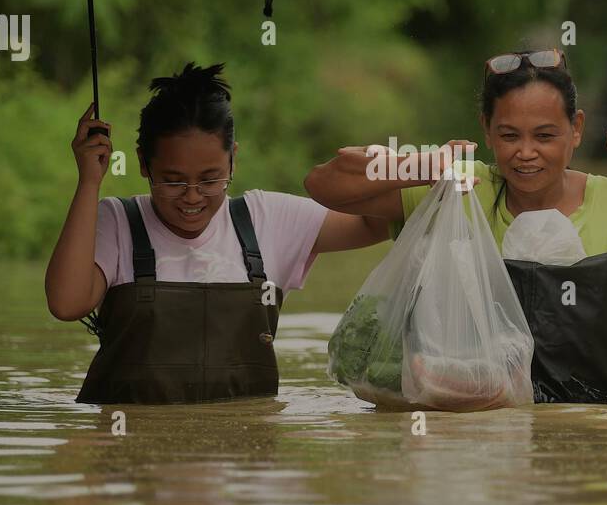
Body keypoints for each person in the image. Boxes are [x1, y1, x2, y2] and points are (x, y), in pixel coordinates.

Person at [304, 47, 607, 404]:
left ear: (576, 130)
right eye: (509, 136)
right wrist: (424, 163)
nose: (526, 153)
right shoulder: (460, 191)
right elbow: (325, 184)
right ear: (486, 130)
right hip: (484, 461)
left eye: (545, 135)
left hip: (600, 454)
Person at [45, 62, 388, 403]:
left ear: (233, 160)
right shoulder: (117, 221)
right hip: (130, 451)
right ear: (143, 163)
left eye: (210, 179)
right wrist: (89, 182)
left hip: (245, 448)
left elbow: (376, 221)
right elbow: (66, 303)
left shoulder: (269, 219)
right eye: (173, 180)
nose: (192, 196)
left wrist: (416, 165)